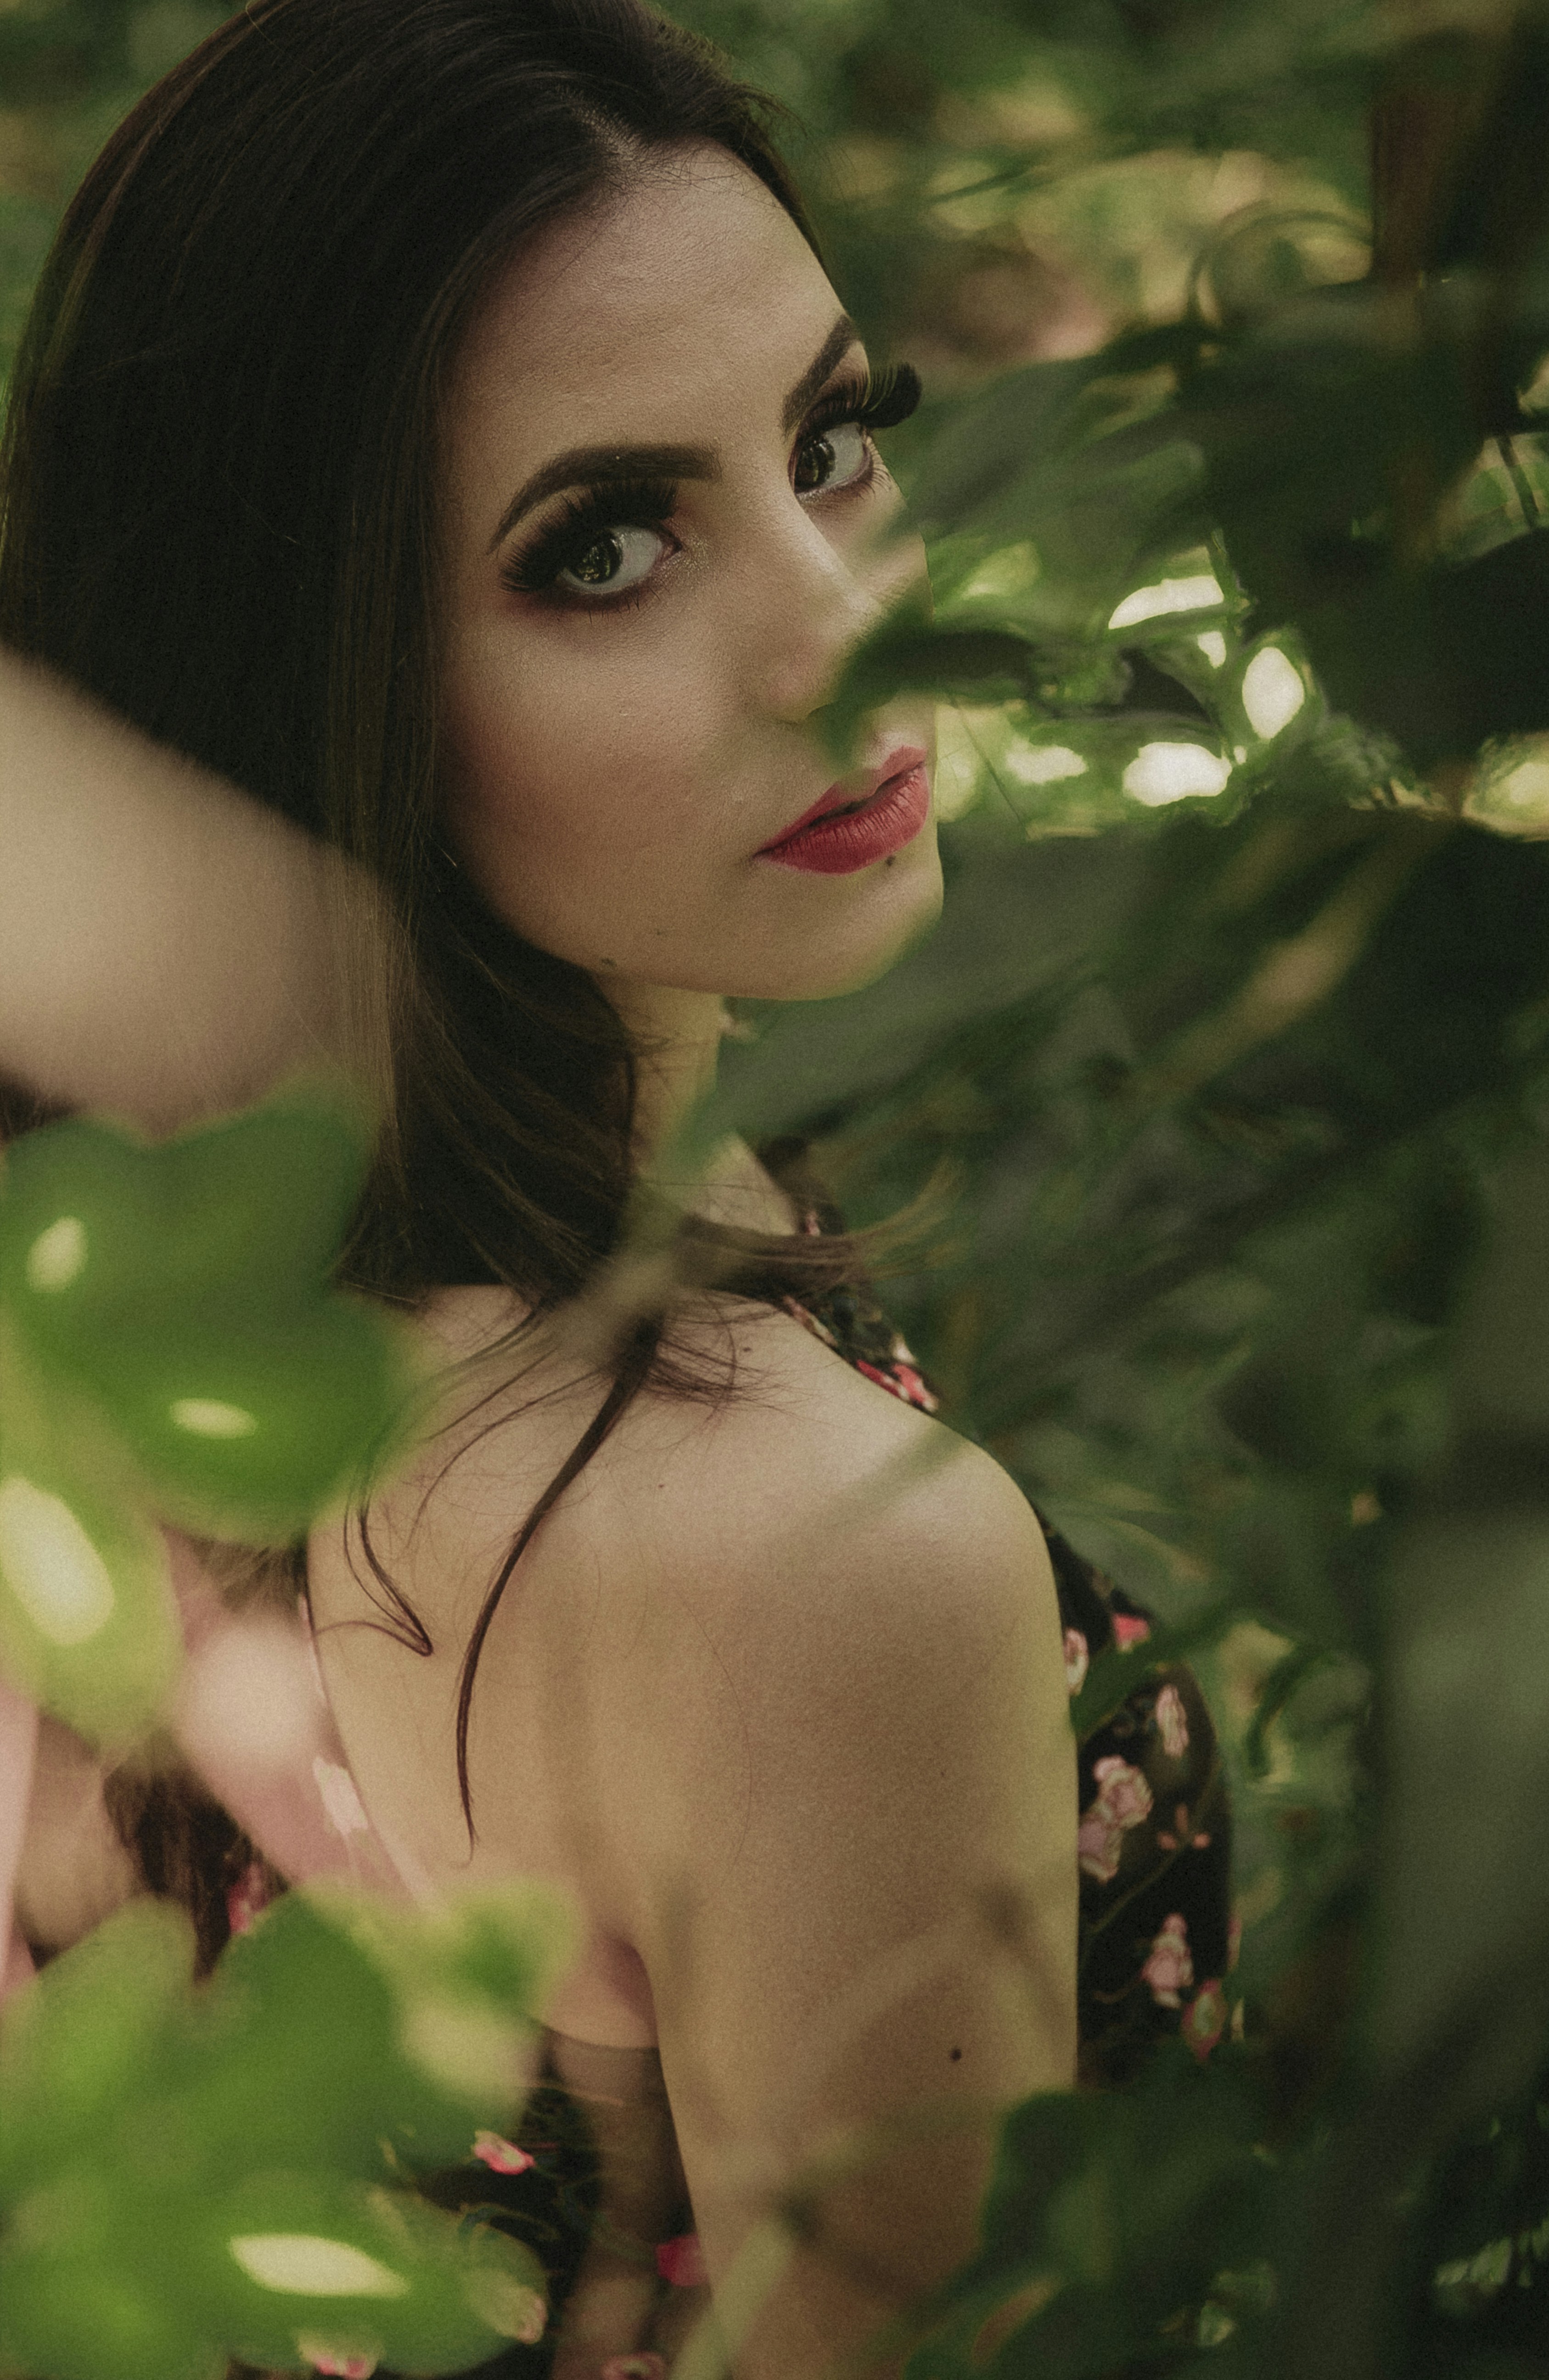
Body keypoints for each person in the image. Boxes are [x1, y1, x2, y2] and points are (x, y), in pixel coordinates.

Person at [0, 6, 1230, 2377]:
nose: (838, 626)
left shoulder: (126, 1273)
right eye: (605, 547)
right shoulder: (819, 1558)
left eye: (832, 441)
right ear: (315, 666)